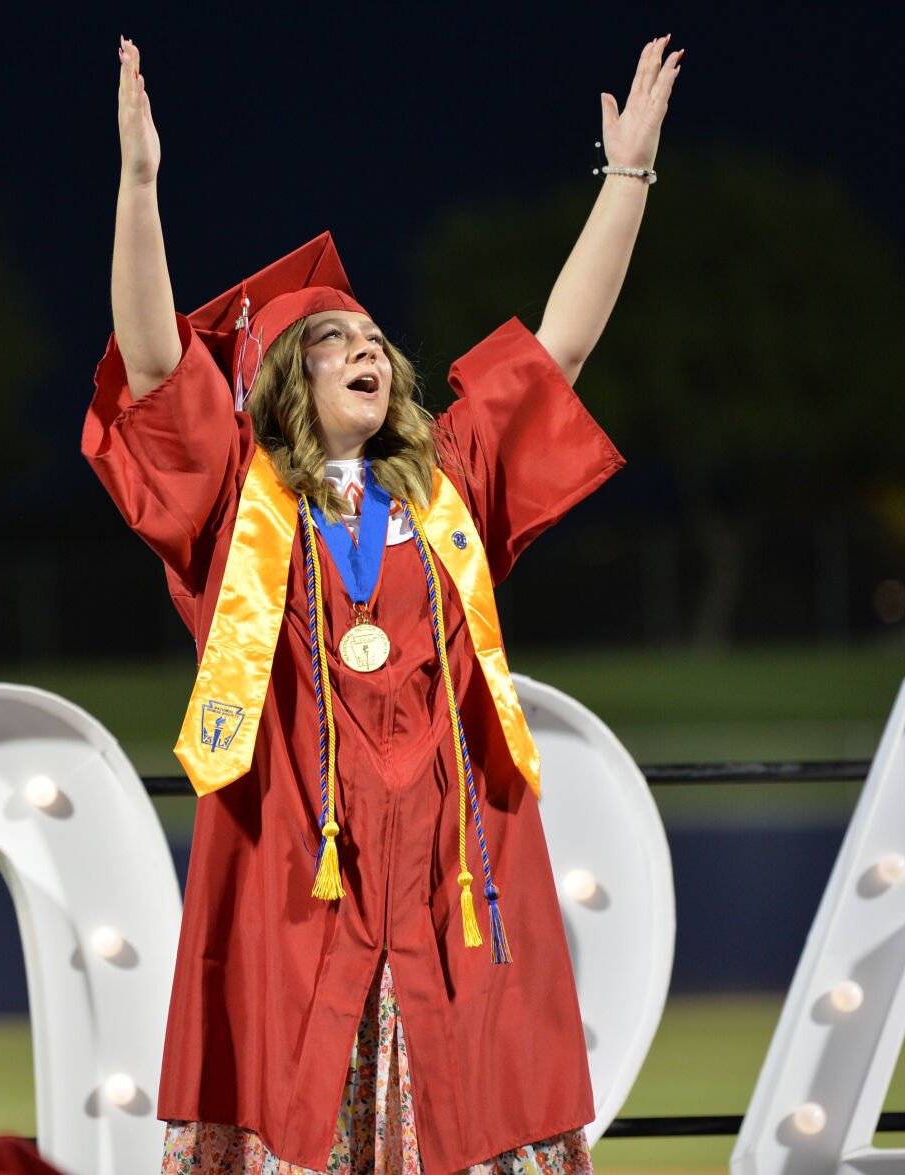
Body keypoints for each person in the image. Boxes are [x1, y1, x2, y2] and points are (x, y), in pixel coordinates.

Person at [85, 33, 683, 1175]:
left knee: (461, 1103)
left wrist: (626, 180)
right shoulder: (237, 504)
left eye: (373, 341)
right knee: (292, 1094)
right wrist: (141, 184)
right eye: (333, 345)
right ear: (282, 384)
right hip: (294, 880)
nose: (366, 347)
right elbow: (156, 363)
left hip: (449, 874)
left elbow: (561, 343)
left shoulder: (447, 484)